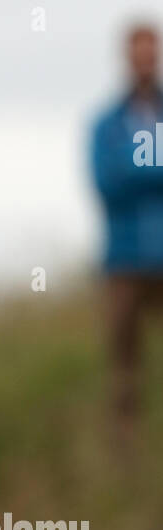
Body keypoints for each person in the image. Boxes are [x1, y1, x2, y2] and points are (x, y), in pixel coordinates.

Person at [90, 24, 163, 451]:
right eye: (138, 53)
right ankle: (125, 452)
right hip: (124, 261)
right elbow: (107, 183)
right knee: (124, 367)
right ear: (126, 58)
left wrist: (134, 169)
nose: (145, 61)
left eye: (151, 52)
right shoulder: (106, 122)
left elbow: (123, 175)